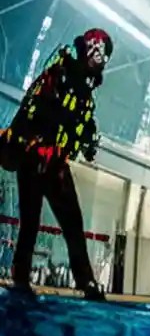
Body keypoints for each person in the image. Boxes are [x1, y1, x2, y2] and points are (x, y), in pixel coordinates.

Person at [0, 28, 113, 301]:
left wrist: (87, 138)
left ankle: (84, 282)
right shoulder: (60, 74)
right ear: (86, 49)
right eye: (95, 51)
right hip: (35, 156)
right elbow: (37, 109)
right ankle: (22, 279)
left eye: (103, 54)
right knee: (32, 221)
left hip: (55, 162)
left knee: (71, 223)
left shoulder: (85, 91)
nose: (99, 57)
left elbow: (81, 127)